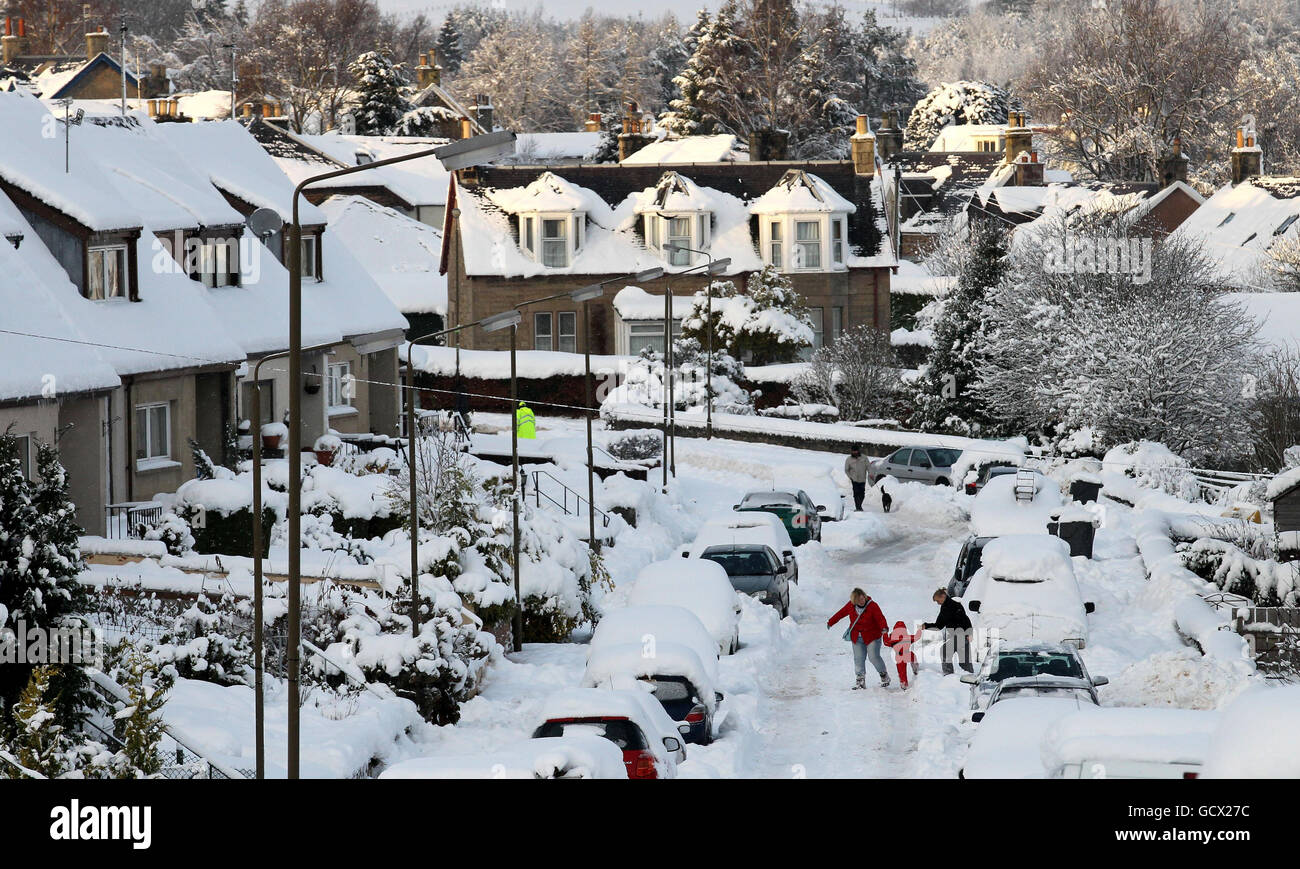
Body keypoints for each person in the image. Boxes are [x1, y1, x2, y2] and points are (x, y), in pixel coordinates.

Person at [827, 587, 890, 689]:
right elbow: (841, 613)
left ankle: (884, 675)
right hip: (857, 637)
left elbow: (880, 618)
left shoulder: (872, 606)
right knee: (859, 659)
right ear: (854, 601)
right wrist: (831, 622)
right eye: (858, 600)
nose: (861, 601)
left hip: (872, 636)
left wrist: (884, 627)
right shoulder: (851, 606)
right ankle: (860, 680)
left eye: (862, 598)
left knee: (873, 657)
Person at [923, 588, 974, 675]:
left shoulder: (948, 607)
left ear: (943, 596)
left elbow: (964, 620)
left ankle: (949, 674)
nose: (938, 603)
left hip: (960, 635)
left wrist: (926, 626)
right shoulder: (951, 606)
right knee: (964, 660)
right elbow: (939, 625)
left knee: (945, 651)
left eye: (937, 600)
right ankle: (969, 676)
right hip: (962, 635)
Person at [881, 620, 920, 690]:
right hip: (907, 653)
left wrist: (885, 633)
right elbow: (917, 637)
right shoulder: (907, 637)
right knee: (912, 656)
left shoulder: (892, 639)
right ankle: (915, 665)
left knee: (902, 671)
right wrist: (919, 630)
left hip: (899, 657)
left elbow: (886, 642)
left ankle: (903, 683)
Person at [844, 445, 870, 511]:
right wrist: (850, 477)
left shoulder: (864, 458)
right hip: (854, 479)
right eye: (853, 451)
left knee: (862, 494)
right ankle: (858, 507)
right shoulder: (849, 459)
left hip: (862, 479)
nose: (854, 452)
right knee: (856, 493)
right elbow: (846, 470)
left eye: (856, 451)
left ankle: (859, 506)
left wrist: (870, 473)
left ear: (858, 451)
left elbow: (869, 467)